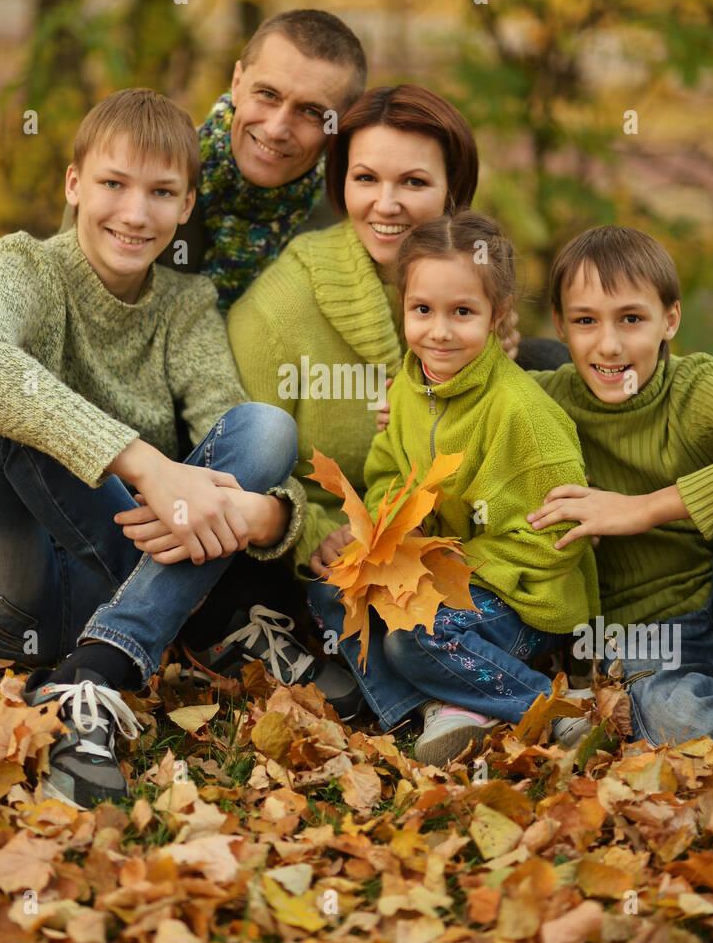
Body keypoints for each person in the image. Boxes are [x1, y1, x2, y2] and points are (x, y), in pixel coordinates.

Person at [0, 88, 306, 810]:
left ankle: (93, 673)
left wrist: (268, 517)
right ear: (73, 185)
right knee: (9, 394)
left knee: (267, 428)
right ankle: (197, 623)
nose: (134, 213)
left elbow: (236, 441)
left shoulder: (185, 305)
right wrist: (147, 465)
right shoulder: (25, 266)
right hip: (0, 589)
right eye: (113, 184)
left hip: (119, 577)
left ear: (187, 204)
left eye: (161, 192)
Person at [228, 84, 558, 582]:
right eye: (366, 178)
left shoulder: (473, 276)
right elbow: (244, 466)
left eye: (413, 182)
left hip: (451, 539)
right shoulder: (276, 311)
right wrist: (319, 534)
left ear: (452, 192)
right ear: (341, 183)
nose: (386, 204)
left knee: (548, 361)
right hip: (316, 551)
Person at [306, 211, 599, 764]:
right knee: (330, 592)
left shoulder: (522, 415)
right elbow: (387, 473)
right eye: (423, 310)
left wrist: (447, 566)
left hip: (523, 602)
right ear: (405, 309)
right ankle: (438, 706)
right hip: (440, 576)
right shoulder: (412, 388)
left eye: (462, 312)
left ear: (497, 314)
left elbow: (558, 538)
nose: (438, 331)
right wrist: (388, 533)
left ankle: (549, 710)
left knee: (411, 634)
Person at [525, 225, 713, 746]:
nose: (609, 345)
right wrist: (407, 405)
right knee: (677, 721)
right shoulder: (537, 401)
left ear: (669, 319)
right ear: (560, 326)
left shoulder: (696, 386)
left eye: (631, 318)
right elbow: (450, 403)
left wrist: (646, 508)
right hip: (649, 633)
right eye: (586, 321)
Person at [59, 9, 367, 309]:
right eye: (268, 95)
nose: (276, 129)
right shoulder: (137, 174)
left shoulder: (349, 216)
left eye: (312, 112)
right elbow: (68, 305)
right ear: (236, 84)